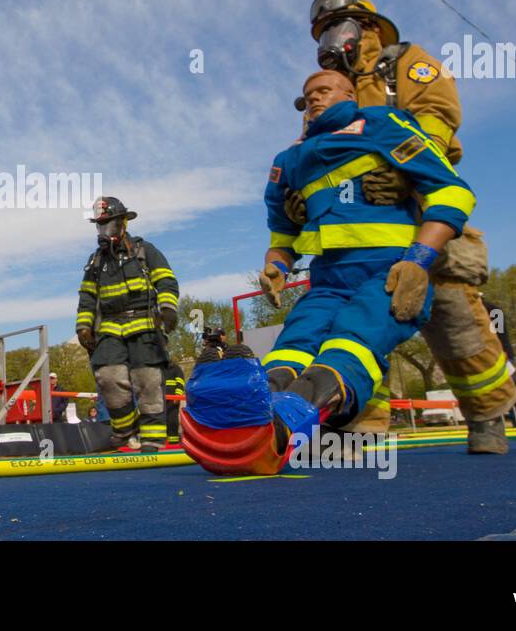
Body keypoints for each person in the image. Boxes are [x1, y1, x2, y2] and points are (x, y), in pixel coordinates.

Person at [181, 70, 477, 475]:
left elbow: (452, 191)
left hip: (389, 271)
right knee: (293, 344)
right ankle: (247, 412)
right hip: (327, 279)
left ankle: (285, 422)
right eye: (306, 98)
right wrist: (277, 267)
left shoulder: (383, 125)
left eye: (323, 91)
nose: (313, 101)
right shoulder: (289, 162)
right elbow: (282, 233)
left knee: (351, 340)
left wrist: (418, 259)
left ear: (350, 93)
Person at [294, 0, 516, 453]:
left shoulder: (407, 65)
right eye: (324, 34)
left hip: (419, 217)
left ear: (367, 30)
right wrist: (301, 201)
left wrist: (401, 172)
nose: (330, 42)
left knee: (456, 319)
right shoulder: (328, 95)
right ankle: (356, 425)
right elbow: (310, 160)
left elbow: (437, 116)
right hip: (358, 234)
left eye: (338, 29)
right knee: (352, 325)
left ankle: (487, 415)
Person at [75, 196, 180, 452]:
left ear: (123, 223)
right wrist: (83, 326)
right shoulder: (95, 261)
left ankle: (152, 441)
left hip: (144, 326)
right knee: (107, 376)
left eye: (109, 225)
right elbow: (87, 297)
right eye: (100, 226)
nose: (104, 231)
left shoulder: (146, 252)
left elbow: (166, 281)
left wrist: (167, 309)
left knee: (148, 381)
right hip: (110, 328)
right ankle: (125, 429)